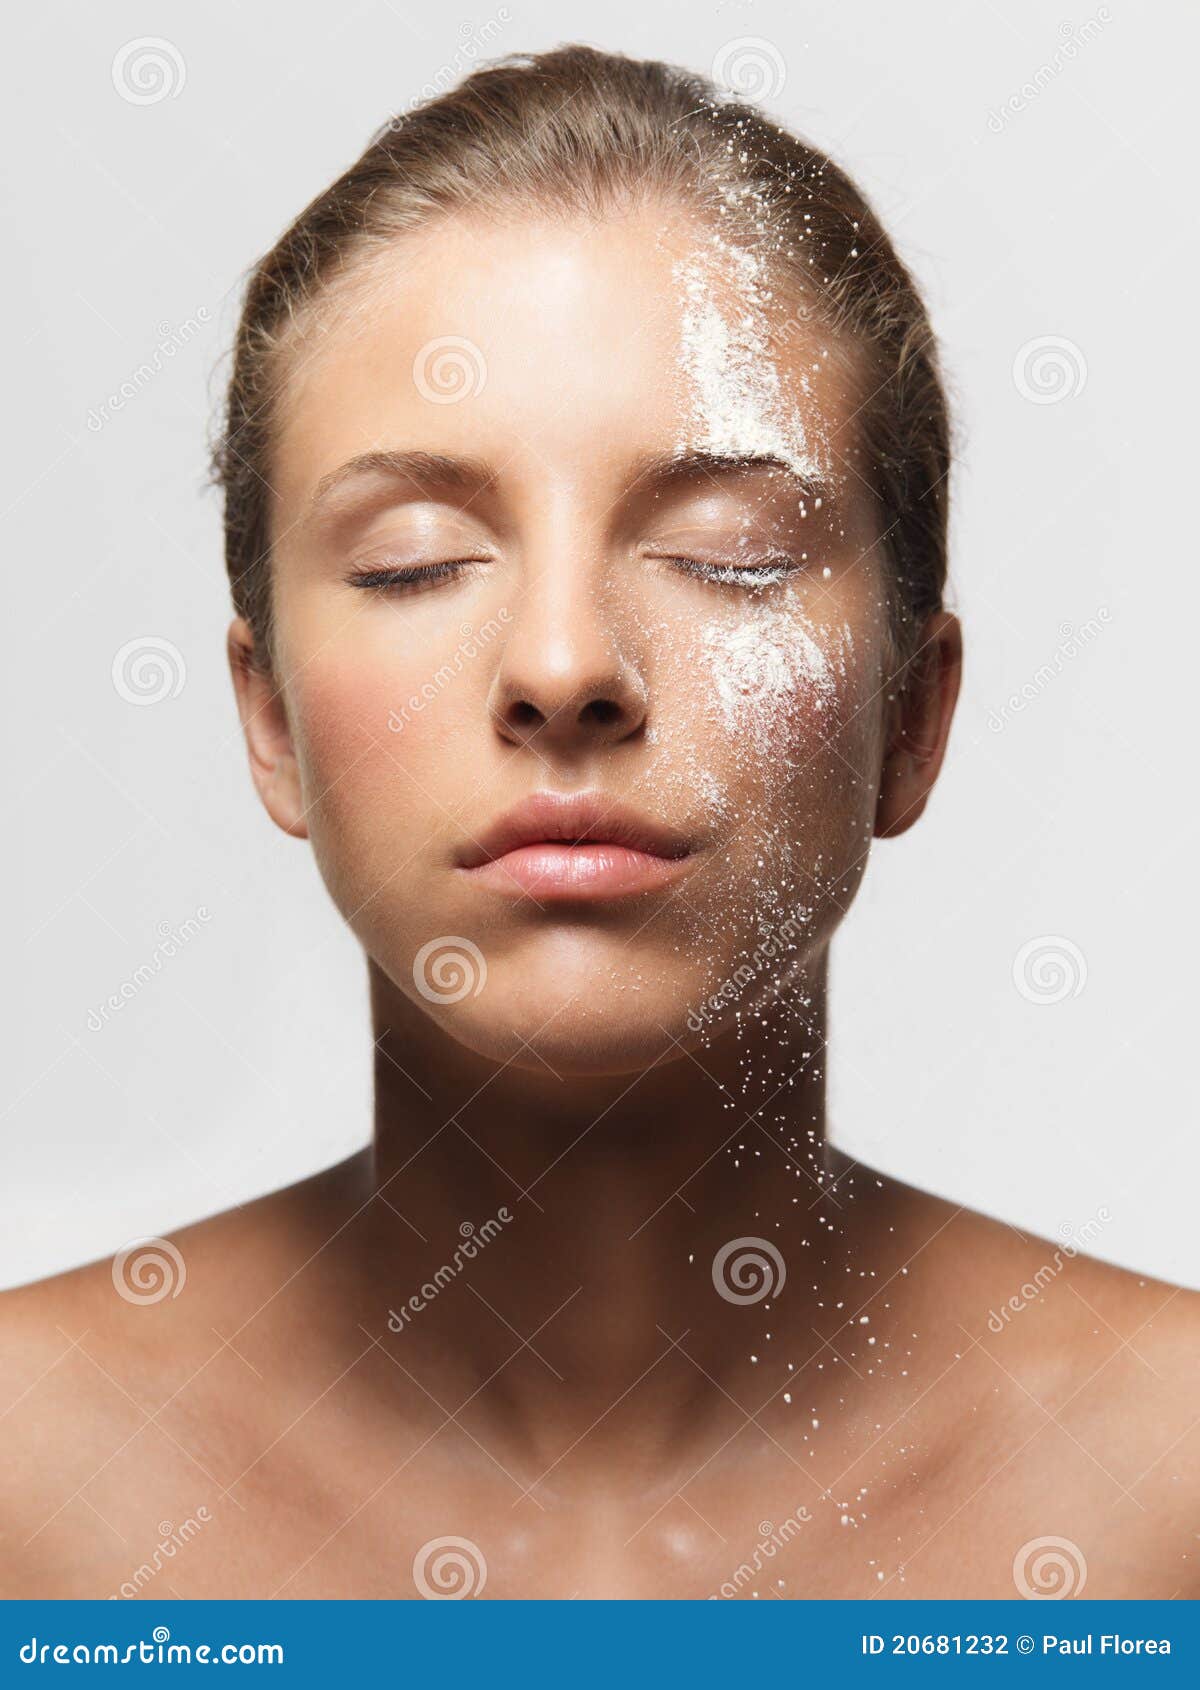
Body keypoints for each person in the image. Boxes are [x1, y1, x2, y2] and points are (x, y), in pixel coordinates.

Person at [3, 45, 1196, 1602]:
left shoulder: (1162, 1493)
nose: (565, 666)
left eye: (730, 552)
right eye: (416, 559)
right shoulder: (34, 1490)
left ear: (913, 710)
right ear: (271, 720)